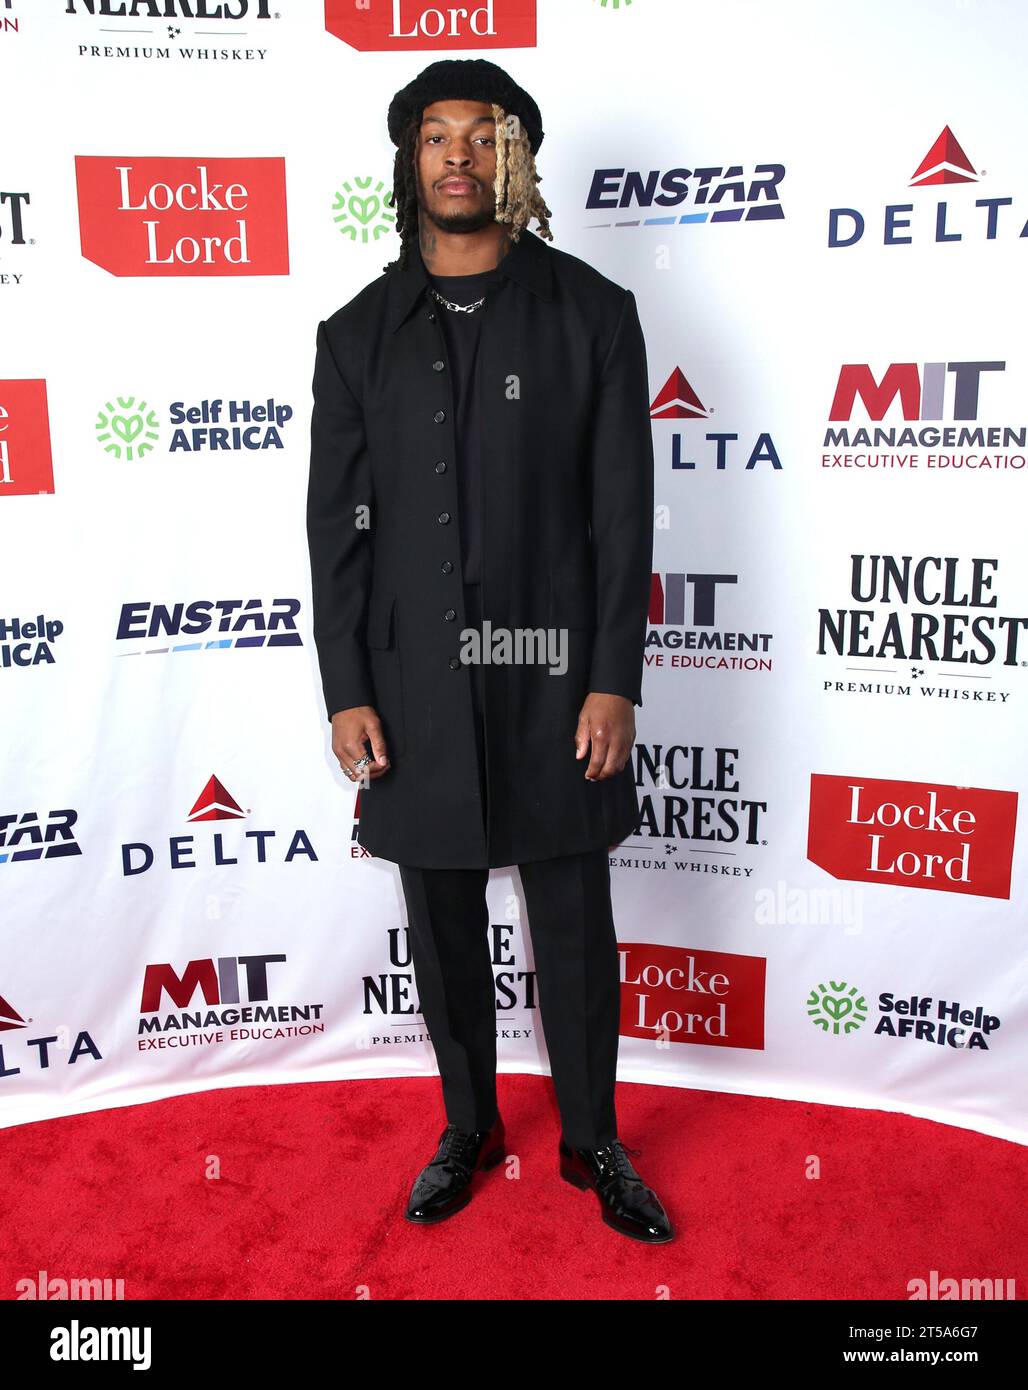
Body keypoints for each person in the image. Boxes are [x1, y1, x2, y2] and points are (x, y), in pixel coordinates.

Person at [306, 58, 672, 1243]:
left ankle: (592, 1140)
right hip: (412, 688)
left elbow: (622, 514)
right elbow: (337, 531)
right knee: (443, 921)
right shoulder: (355, 334)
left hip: (557, 676)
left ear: (515, 160)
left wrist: (613, 675)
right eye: (433, 136)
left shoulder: (592, 313)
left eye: (482, 136)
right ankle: (466, 1127)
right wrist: (347, 688)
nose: (456, 155)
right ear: (407, 161)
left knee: (574, 923)